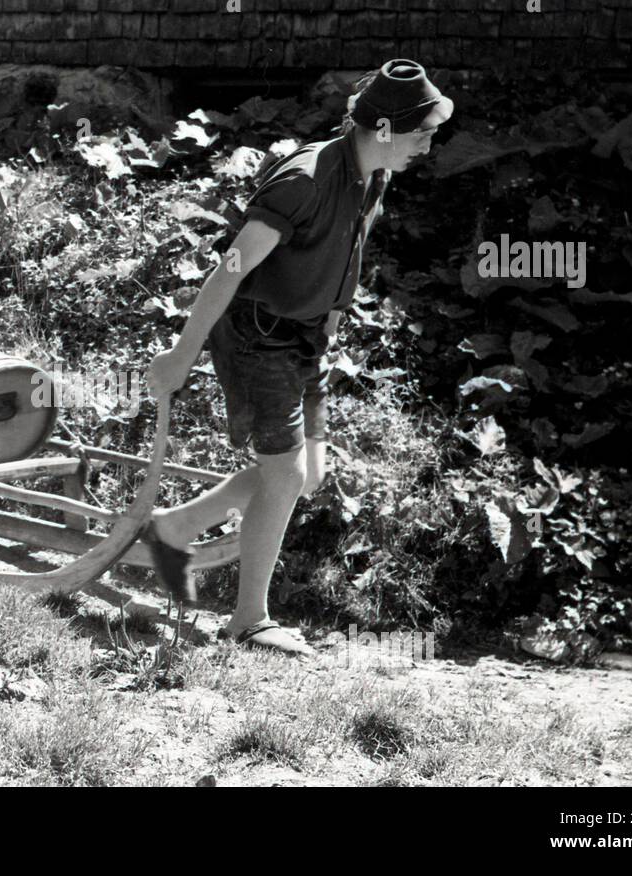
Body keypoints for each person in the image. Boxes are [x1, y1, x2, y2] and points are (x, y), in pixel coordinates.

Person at [142, 59, 455, 654]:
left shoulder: (373, 177)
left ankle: (175, 529)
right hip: (257, 336)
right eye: (422, 133)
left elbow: (344, 255)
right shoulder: (305, 179)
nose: (429, 145)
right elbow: (229, 269)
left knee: (305, 478)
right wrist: (182, 352)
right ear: (385, 129)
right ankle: (249, 620)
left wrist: (331, 322)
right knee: (283, 471)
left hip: (305, 340)